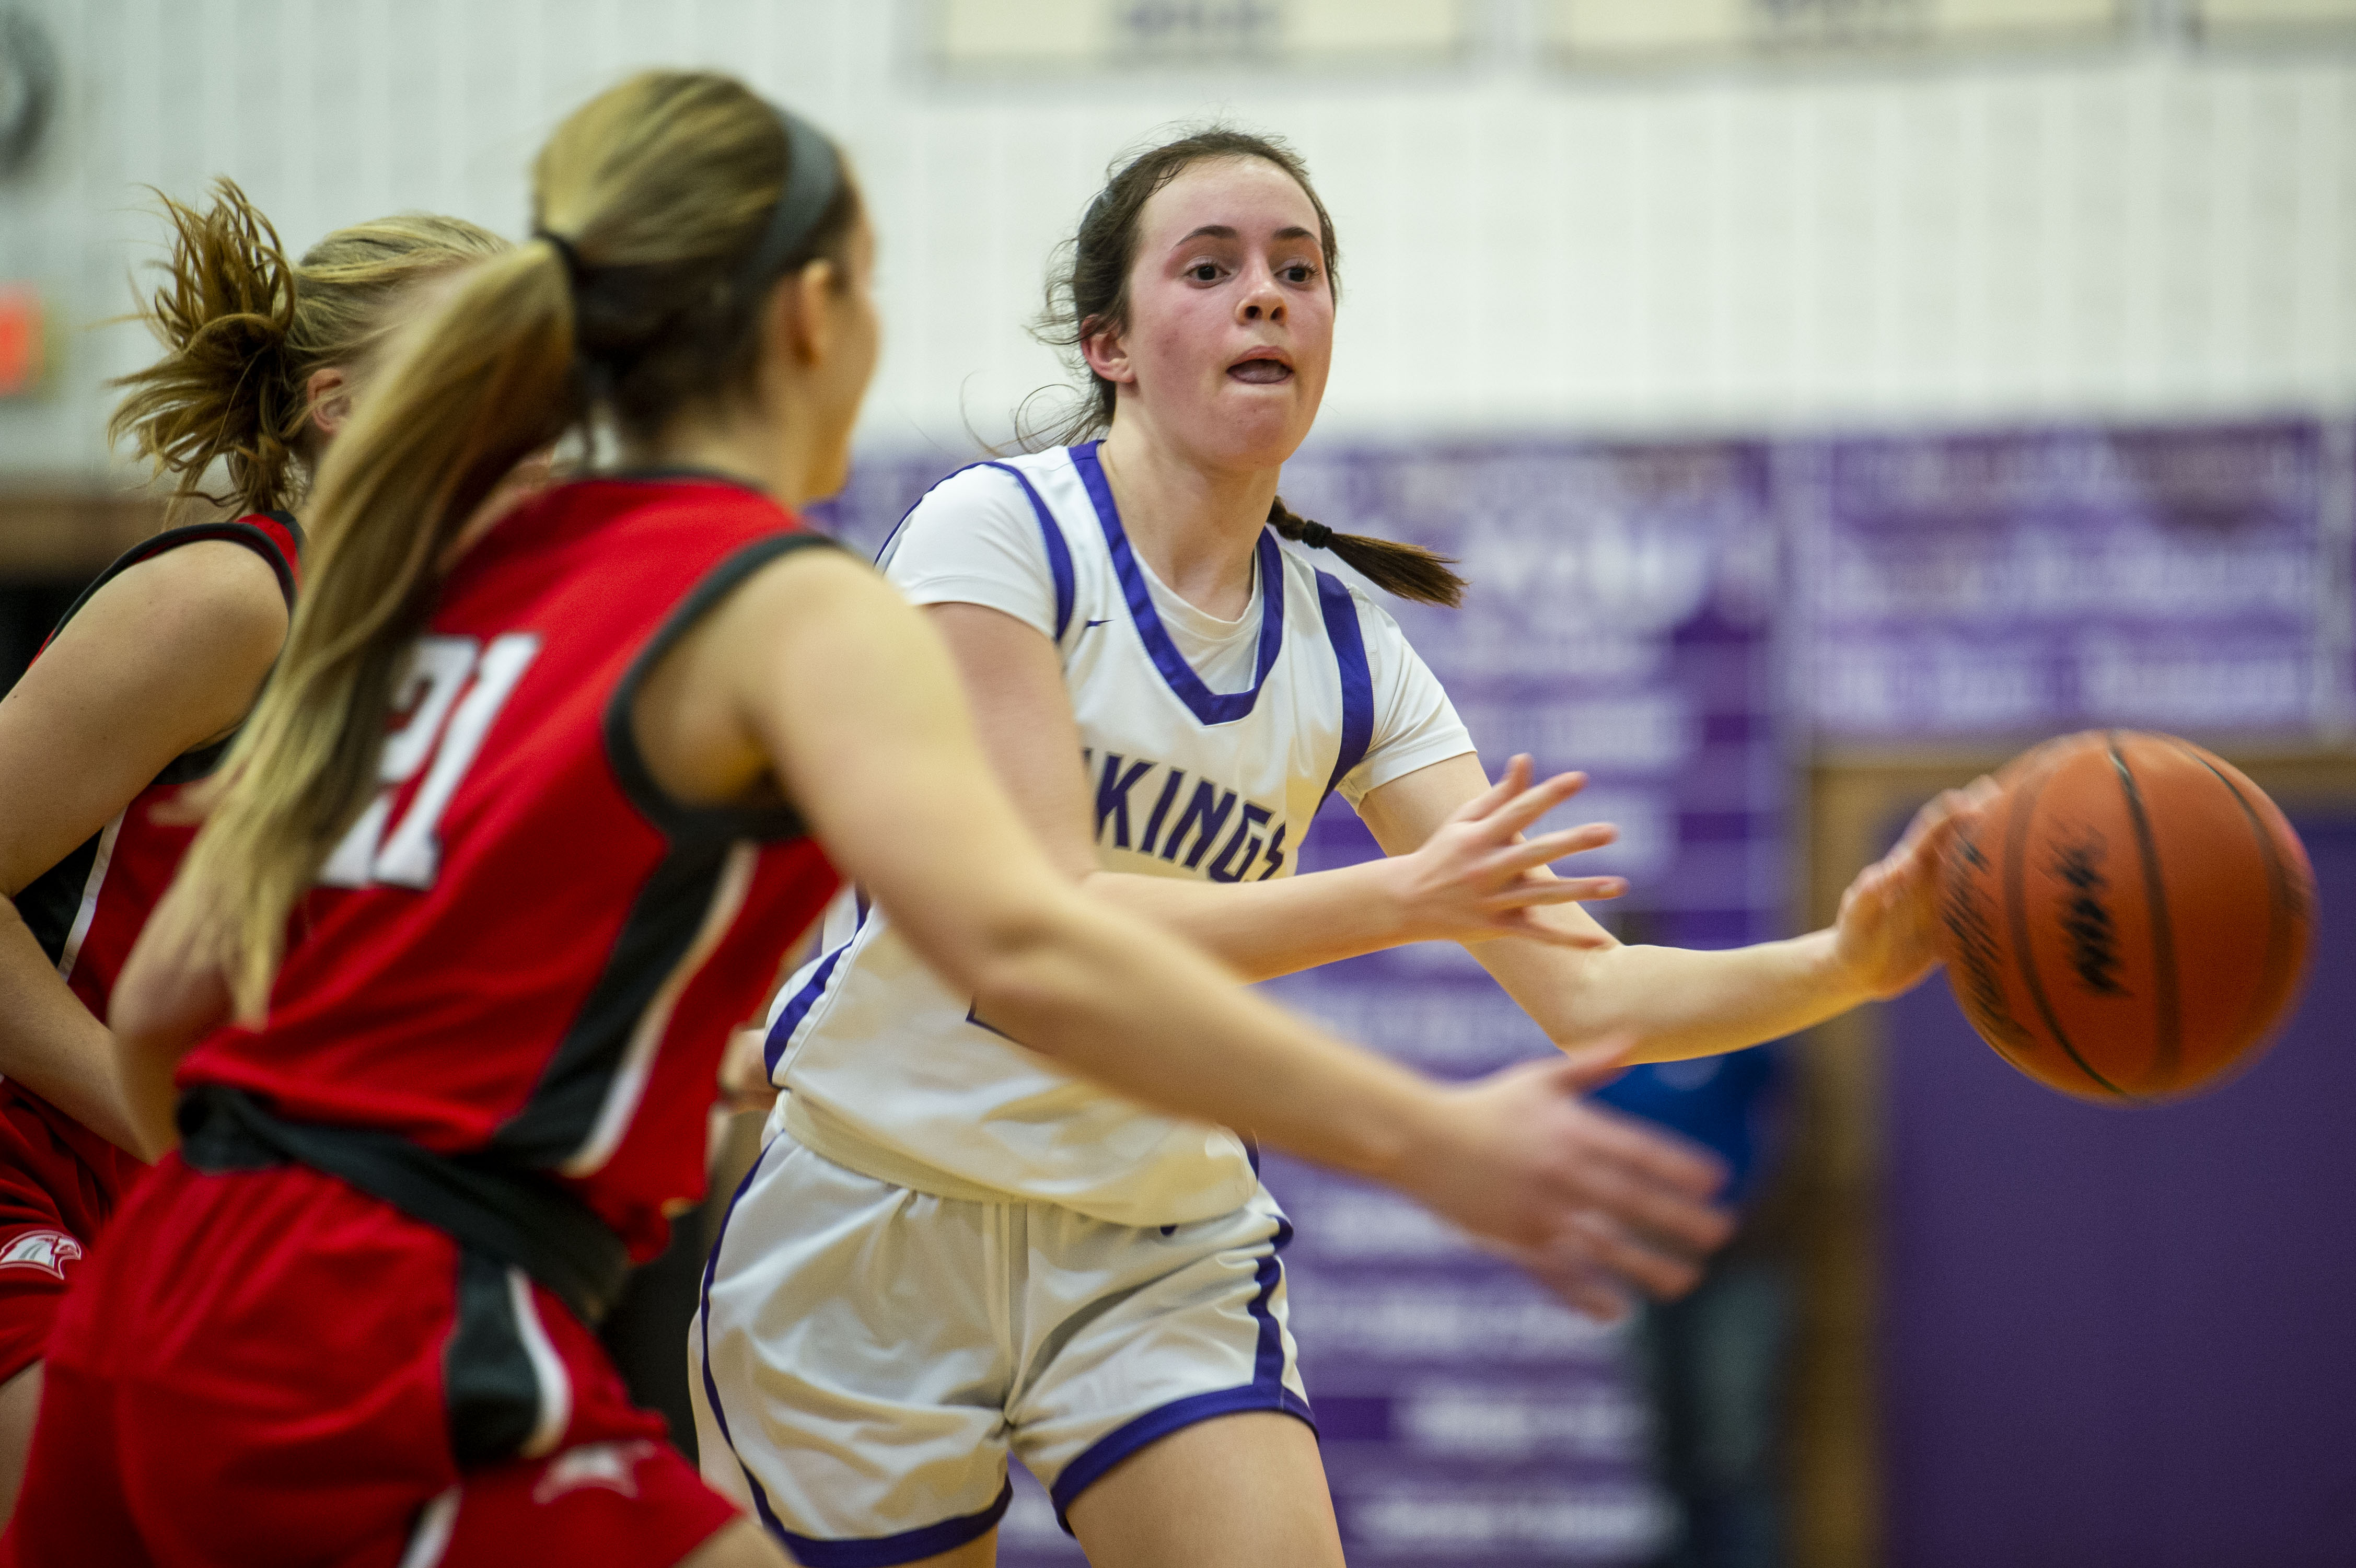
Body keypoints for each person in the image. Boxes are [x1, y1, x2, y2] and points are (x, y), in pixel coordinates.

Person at [3, 74, 1743, 1568]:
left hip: (170, 1295)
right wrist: (1430, 1139)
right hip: (375, 1309)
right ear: (813, 319)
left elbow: (186, 1005)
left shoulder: (466, 628)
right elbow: (1029, 941)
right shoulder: (738, 602)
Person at [699, 126, 1981, 1567]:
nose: (1266, 297)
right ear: (1109, 342)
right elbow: (1035, 940)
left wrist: (1850, 959)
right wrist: (1401, 896)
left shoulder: (1344, 652)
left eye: (1297, 271)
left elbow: (1591, 997)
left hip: (1145, 1232)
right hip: (878, 1200)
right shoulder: (997, 534)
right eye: (1212, 267)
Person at [0, 182, 504, 1521]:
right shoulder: (227, 598)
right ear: (341, 405)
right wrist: (159, 1113)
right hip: (28, 1152)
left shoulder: (448, 668)